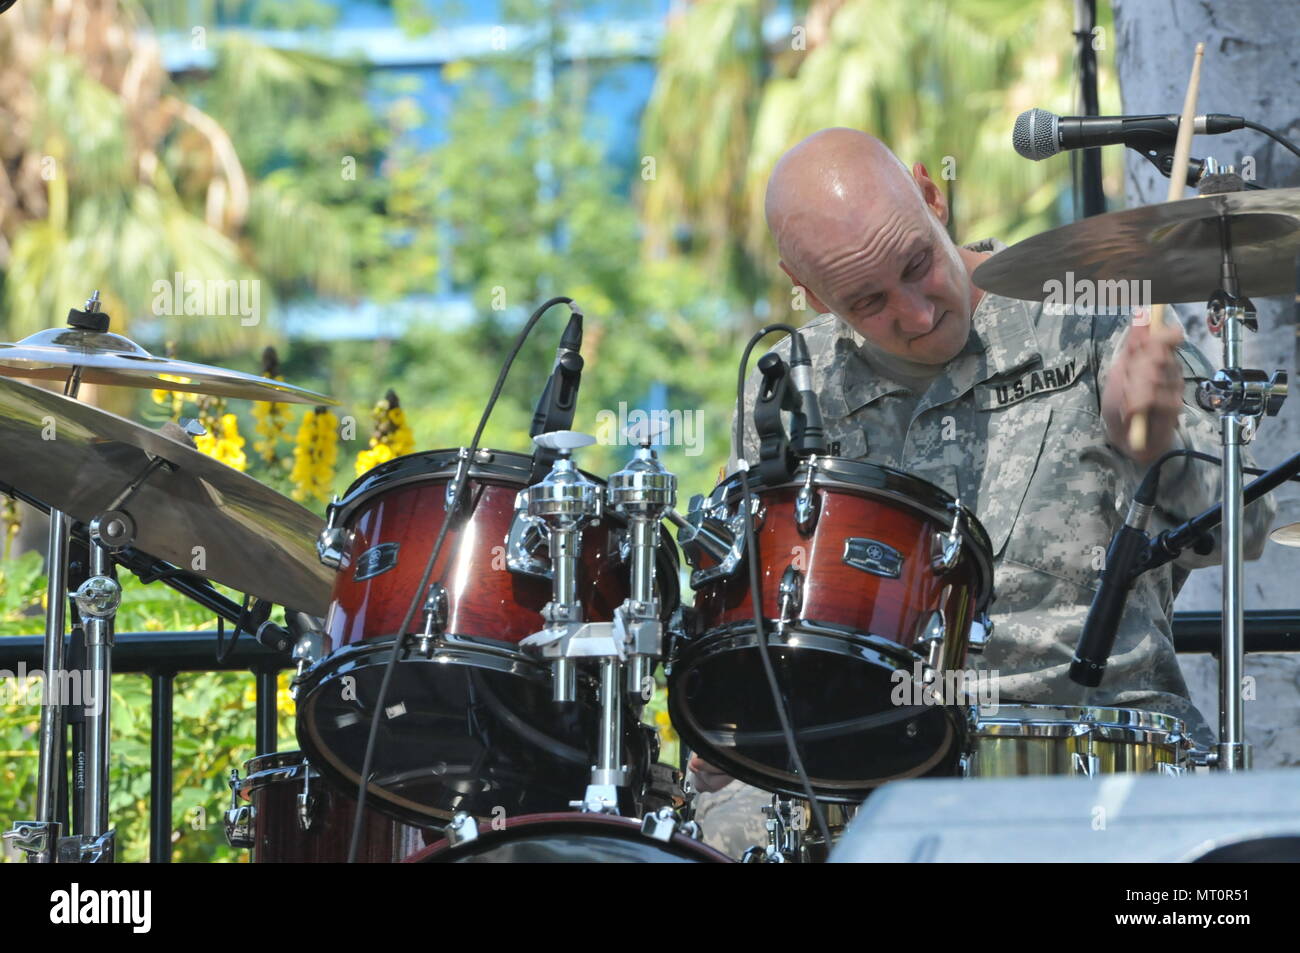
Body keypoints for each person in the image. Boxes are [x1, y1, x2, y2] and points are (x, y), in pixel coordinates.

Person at [688, 128, 1276, 858]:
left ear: (933, 195)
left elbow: (1249, 525)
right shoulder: (788, 387)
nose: (917, 313)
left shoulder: (1091, 311)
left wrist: (1160, 447)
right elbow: (778, 616)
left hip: (1103, 754)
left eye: (917, 265)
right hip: (881, 776)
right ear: (807, 291)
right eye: (868, 301)